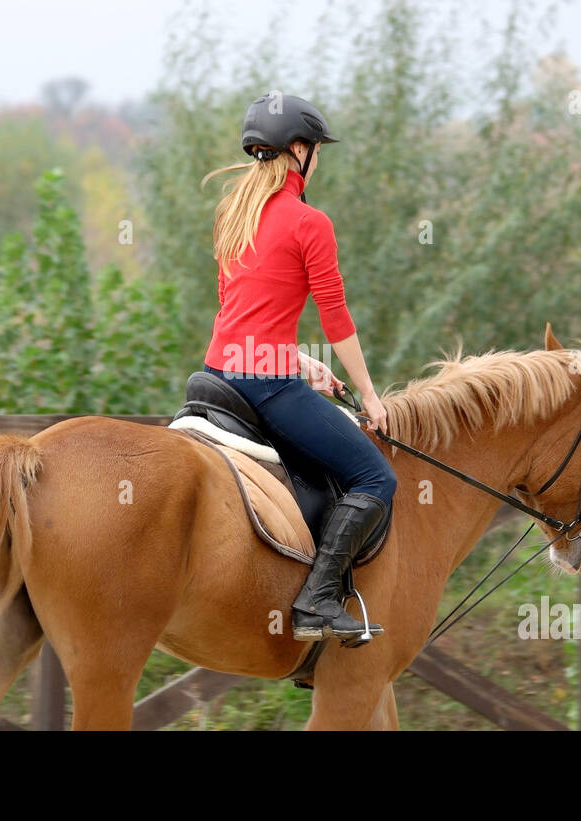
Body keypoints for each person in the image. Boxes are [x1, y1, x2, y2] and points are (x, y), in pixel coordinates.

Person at [200, 92, 397, 642]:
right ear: (300, 150)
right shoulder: (310, 222)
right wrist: (371, 396)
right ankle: (316, 602)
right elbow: (335, 317)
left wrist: (299, 360)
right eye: (318, 150)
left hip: (220, 375)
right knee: (376, 476)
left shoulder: (233, 215)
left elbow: (236, 311)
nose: (320, 160)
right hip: (265, 386)